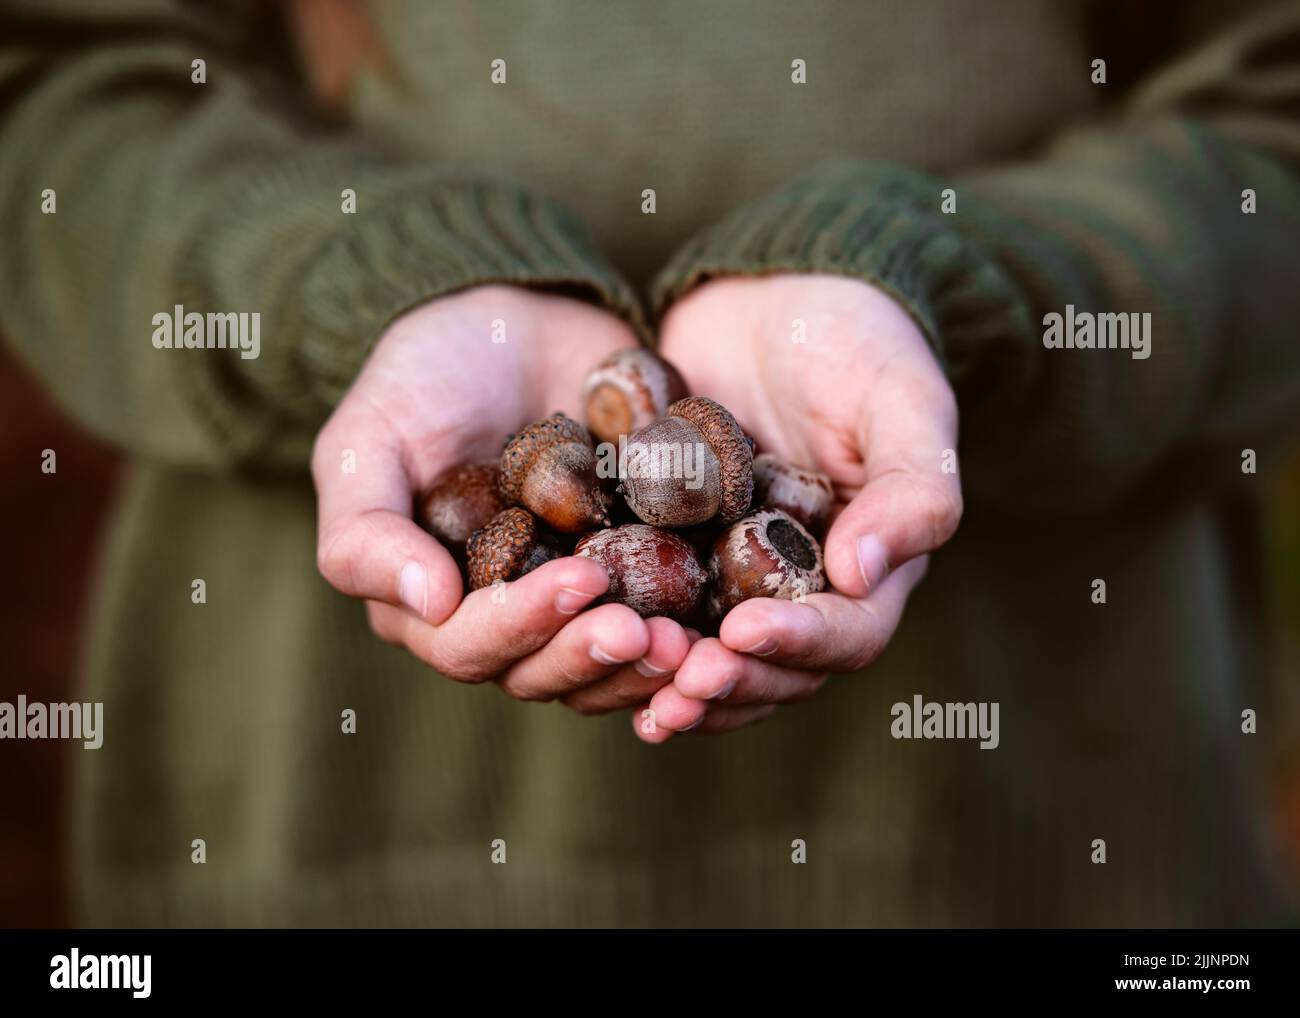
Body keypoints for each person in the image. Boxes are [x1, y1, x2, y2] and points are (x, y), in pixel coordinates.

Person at [2, 0, 1298, 926]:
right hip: (317, 824)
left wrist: (959, 290)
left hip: (1057, 830)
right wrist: (361, 282)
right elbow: (54, 93)